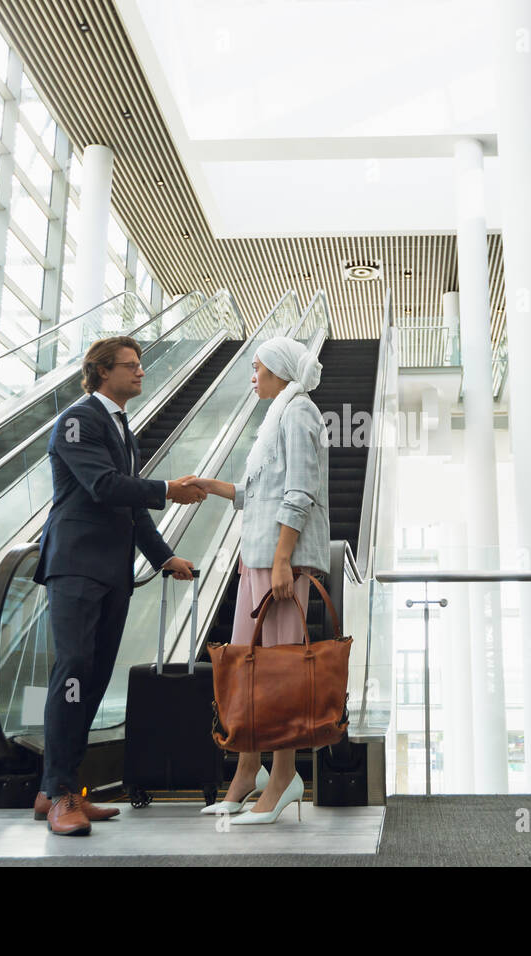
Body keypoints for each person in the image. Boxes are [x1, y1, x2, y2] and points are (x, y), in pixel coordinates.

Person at [32, 335, 205, 836]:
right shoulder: (79, 420)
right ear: (101, 371)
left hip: (111, 572)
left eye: (140, 365)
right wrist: (168, 489)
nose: (141, 372)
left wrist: (164, 555)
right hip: (75, 567)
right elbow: (103, 488)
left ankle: (58, 788)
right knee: (73, 672)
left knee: (93, 678)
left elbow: (128, 509)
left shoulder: (121, 430)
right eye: (131, 365)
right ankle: (61, 793)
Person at [191, 336, 329, 825]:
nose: (253, 375)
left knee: (279, 672)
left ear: (279, 369)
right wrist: (211, 486)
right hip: (258, 560)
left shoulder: (299, 413)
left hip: (279, 563)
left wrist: (283, 559)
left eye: (258, 368)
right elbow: (257, 494)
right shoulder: (275, 418)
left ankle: (284, 776)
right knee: (249, 669)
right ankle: (247, 769)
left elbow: (301, 490)